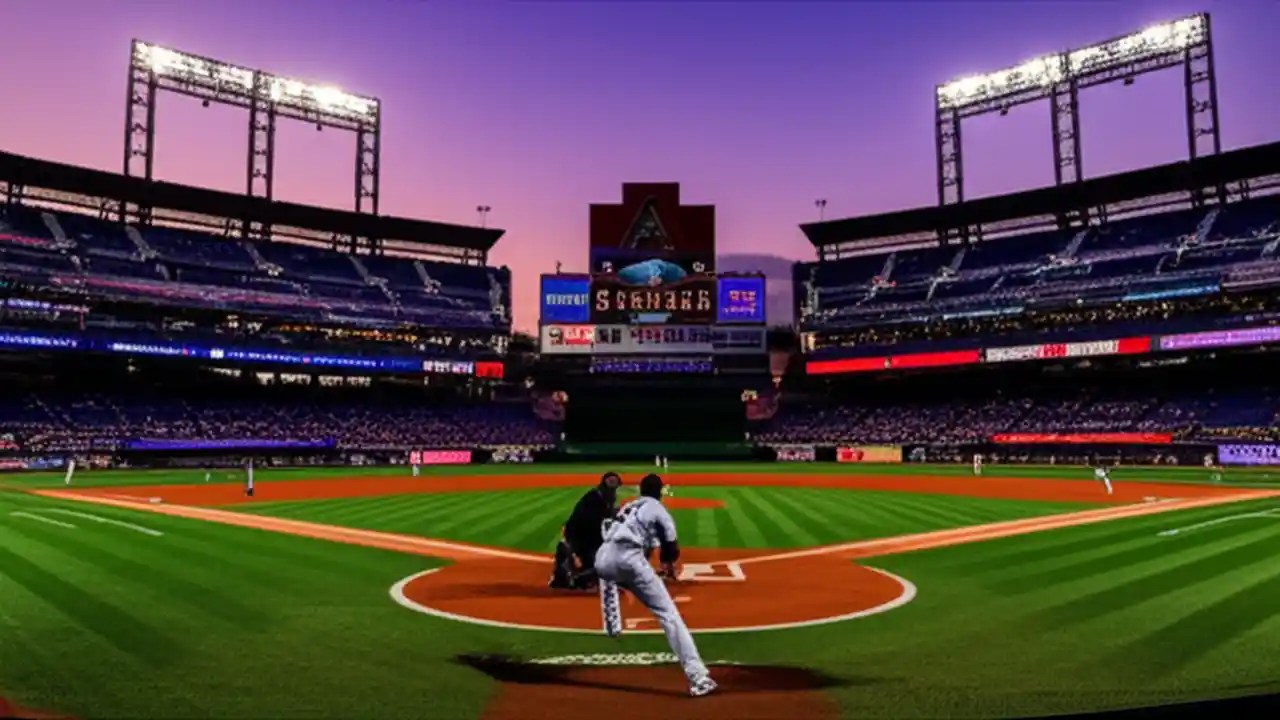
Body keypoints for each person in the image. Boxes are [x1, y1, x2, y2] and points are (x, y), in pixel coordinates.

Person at [595, 473, 716, 698]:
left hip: (603, 557)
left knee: (609, 575)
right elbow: (670, 546)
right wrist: (667, 563)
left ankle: (612, 626)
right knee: (668, 614)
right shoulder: (658, 509)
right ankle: (698, 678)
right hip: (628, 558)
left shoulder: (629, 506)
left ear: (641, 491)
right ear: (660, 492)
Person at [549, 472, 622, 590]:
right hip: (580, 534)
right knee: (597, 552)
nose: (613, 489)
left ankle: (584, 576)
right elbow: (590, 522)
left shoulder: (603, 497)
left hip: (585, 533)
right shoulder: (595, 497)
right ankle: (581, 578)